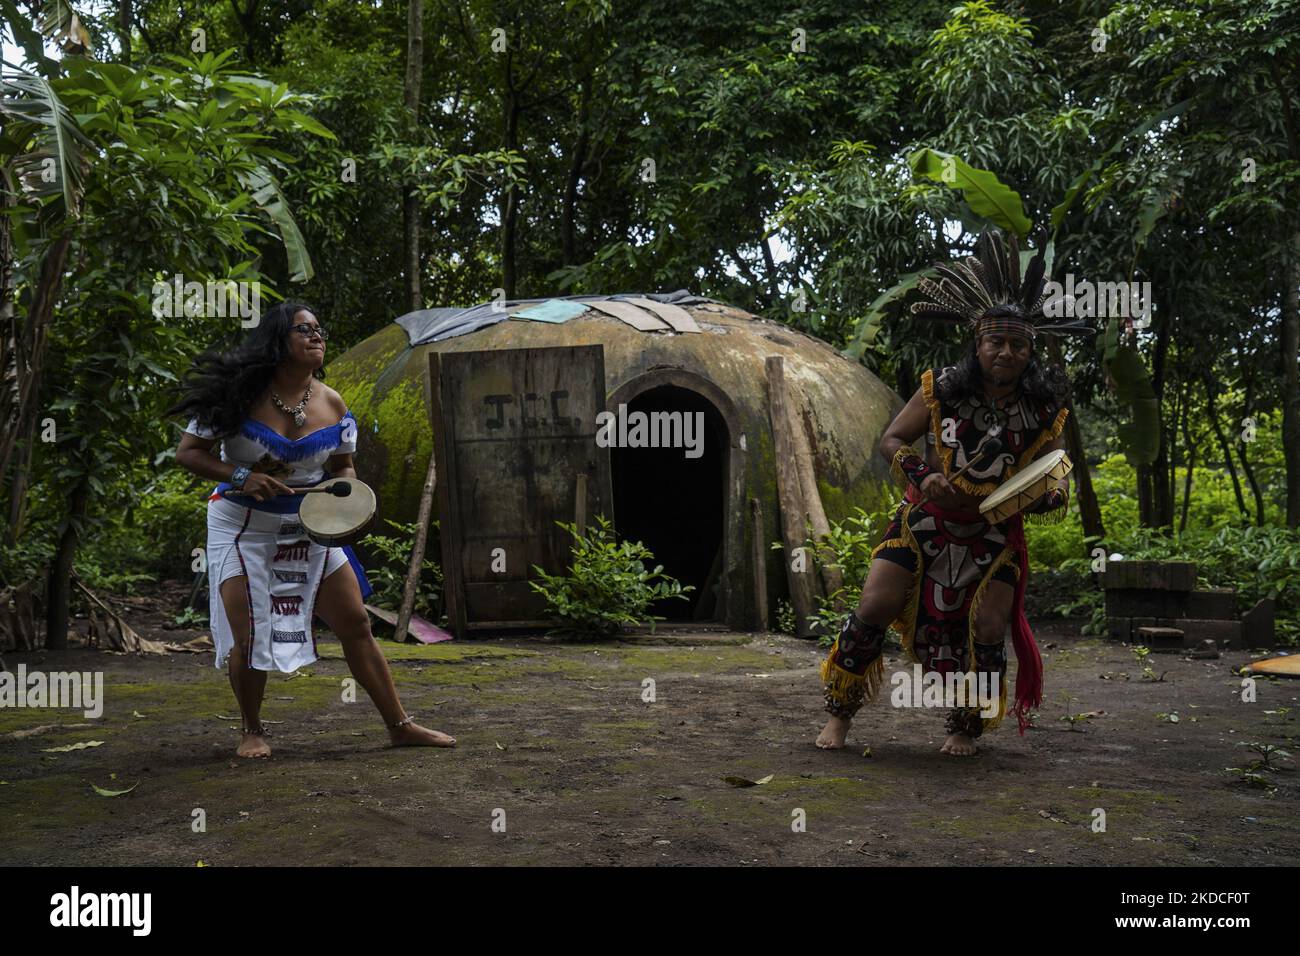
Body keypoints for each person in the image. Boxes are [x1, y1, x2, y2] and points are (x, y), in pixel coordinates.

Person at [816, 227, 1094, 755]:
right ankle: (840, 714)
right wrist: (923, 477)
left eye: (1017, 343)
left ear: (1030, 349)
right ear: (977, 342)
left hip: (993, 533)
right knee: (874, 604)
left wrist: (1043, 498)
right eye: (996, 341)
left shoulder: (1043, 409)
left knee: (988, 625)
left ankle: (964, 726)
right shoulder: (940, 388)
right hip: (923, 522)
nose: (1006, 352)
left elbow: (1056, 475)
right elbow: (891, 440)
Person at [170, 302, 455, 757]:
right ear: (277, 340)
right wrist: (242, 476)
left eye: (319, 329)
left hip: (310, 525)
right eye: (303, 330)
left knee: (356, 621)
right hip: (242, 523)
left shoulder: (331, 402)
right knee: (250, 629)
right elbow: (188, 453)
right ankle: (252, 730)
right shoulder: (234, 395)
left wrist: (344, 498)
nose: (316, 336)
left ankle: (400, 725)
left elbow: (344, 467)